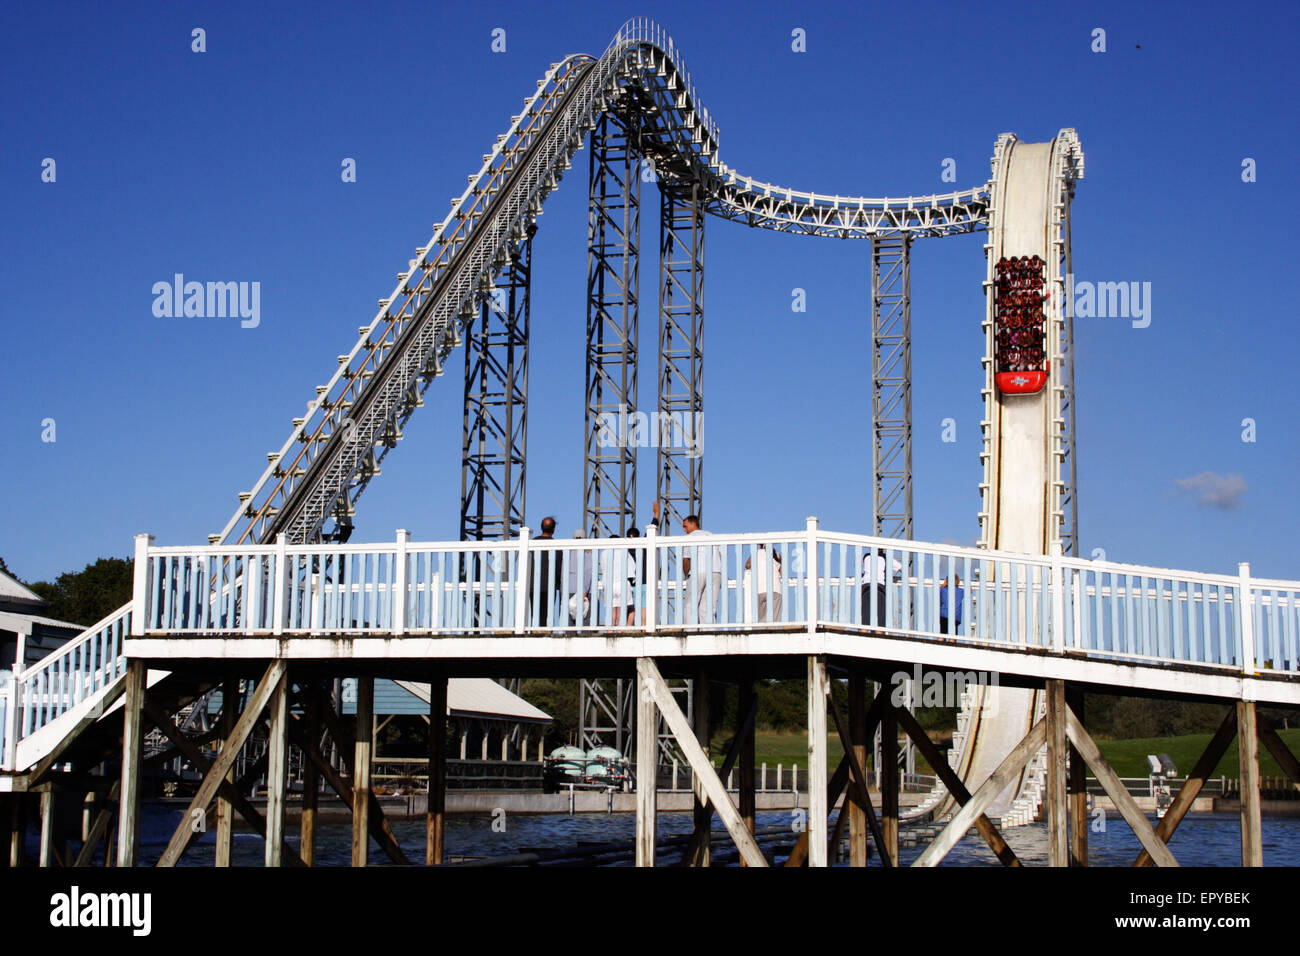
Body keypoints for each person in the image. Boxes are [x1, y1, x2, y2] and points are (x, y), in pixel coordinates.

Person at [682, 514, 723, 625]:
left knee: (691, 604)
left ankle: (690, 630)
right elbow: (720, 555)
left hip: (698, 571)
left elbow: (686, 560)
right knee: (709, 607)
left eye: (685, 526)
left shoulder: (690, 537)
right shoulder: (711, 535)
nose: (684, 529)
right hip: (715, 571)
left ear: (692, 523)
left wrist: (687, 575)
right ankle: (709, 632)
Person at [861, 548, 903, 628]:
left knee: (865, 615)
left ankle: (863, 633)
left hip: (866, 586)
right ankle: (878, 633)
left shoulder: (865, 556)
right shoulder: (886, 557)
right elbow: (901, 568)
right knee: (880, 616)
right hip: (879, 586)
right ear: (883, 549)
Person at [529, 516, 557, 627]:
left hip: (533, 584)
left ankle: (536, 631)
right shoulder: (556, 545)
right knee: (547, 614)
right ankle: (545, 631)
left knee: (535, 613)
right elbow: (559, 565)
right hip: (549, 584)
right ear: (553, 529)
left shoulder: (532, 543)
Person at [745, 543, 783, 622]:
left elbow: (747, 565)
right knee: (774, 618)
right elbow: (781, 573)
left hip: (760, 589)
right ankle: (774, 633)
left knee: (761, 618)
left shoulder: (757, 553)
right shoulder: (777, 555)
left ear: (760, 545)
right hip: (775, 589)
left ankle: (762, 632)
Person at [567, 529, 594, 625]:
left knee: (569, 618)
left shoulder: (568, 552)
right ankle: (586, 637)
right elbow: (588, 572)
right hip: (585, 590)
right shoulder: (588, 552)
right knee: (586, 616)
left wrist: (563, 591)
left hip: (569, 588)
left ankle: (569, 638)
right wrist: (585, 590)